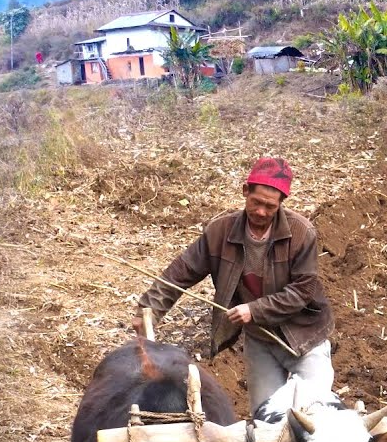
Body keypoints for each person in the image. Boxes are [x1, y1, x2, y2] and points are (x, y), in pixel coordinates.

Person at [134, 157, 335, 411]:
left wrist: (254, 310)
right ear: (245, 191)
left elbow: (303, 290)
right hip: (261, 339)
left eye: (270, 207)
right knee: (266, 418)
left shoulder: (302, 234)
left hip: (305, 337)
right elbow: (180, 272)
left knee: (314, 413)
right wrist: (149, 310)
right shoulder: (220, 232)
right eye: (256, 202)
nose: (262, 212)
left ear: (281, 204)